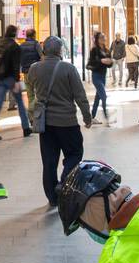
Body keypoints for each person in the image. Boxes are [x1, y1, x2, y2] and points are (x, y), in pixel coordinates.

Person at [29, 36, 93, 208]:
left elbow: (30, 91)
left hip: (45, 125)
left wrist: (31, 111)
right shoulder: (68, 69)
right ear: (60, 50)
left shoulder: (34, 69)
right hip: (67, 123)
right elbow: (80, 96)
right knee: (74, 153)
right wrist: (87, 117)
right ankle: (63, 182)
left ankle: (52, 198)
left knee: (49, 161)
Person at [0, 24, 31, 141]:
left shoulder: (0, 44)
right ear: (15, 33)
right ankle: (26, 128)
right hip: (11, 79)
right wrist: (17, 81)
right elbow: (16, 65)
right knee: (20, 104)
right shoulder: (15, 47)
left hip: (0, 77)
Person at [86, 32, 113, 126]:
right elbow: (91, 62)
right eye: (101, 37)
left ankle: (91, 118)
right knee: (104, 96)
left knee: (98, 98)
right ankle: (107, 118)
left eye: (104, 36)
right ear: (97, 39)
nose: (104, 38)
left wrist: (109, 62)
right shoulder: (94, 50)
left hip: (103, 76)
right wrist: (101, 61)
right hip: (96, 76)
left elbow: (110, 64)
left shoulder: (106, 50)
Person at [19, 29, 42, 107]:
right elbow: (42, 57)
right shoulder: (36, 44)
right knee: (38, 92)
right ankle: (38, 113)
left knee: (30, 94)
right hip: (36, 72)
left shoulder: (21, 46)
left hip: (26, 71)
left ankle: (31, 114)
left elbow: (19, 59)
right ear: (34, 35)